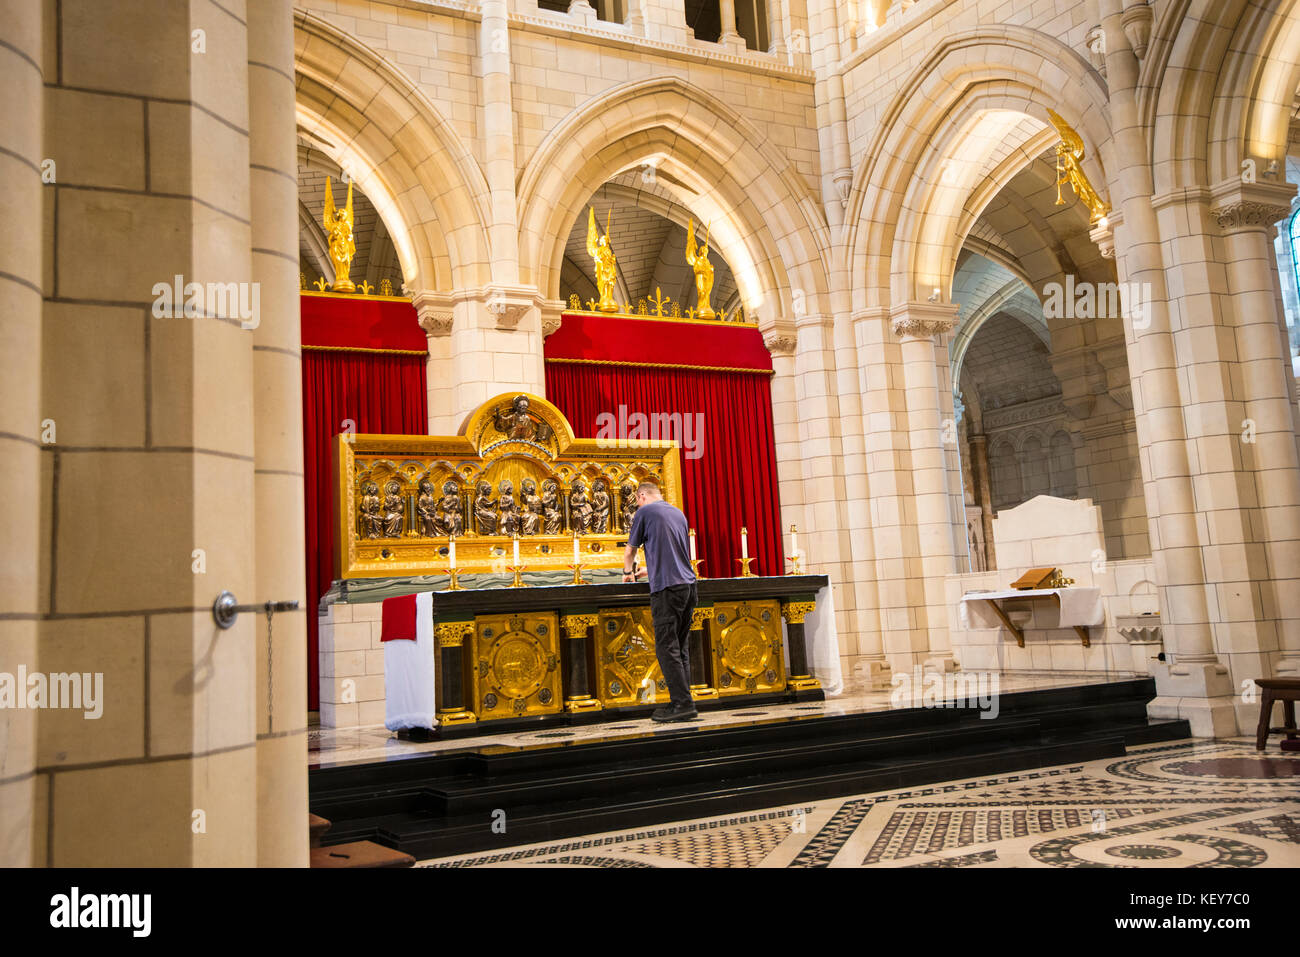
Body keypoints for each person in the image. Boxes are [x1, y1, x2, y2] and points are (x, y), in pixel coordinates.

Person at [622, 481, 698, 722]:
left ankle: (682, 703)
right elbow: (674, 552)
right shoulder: (678, 513)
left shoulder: (644, 511)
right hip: (688, 586)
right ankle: (685, 702)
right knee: (680, 647)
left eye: (637, 500)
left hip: (667, 589)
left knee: (666, 647)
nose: (637, 504)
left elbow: (630, 550)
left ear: (642, 496)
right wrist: (649, 571)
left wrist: (628, 572)